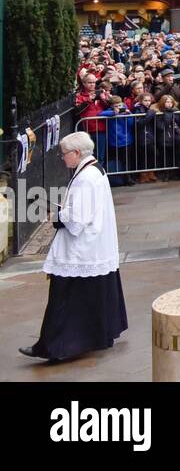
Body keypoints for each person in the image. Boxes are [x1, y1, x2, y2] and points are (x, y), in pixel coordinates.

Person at [20, 132, 128, 363]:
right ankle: (100, 336)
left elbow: (77, 219)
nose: (62, 158)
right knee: (93, 296)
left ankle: (53, 347)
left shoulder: (86, 177)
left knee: (63, 298)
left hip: (81, 249)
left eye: (64, 154)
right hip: (96, 245)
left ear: (77, 153)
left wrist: (57, 215)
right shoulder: (94, 169)